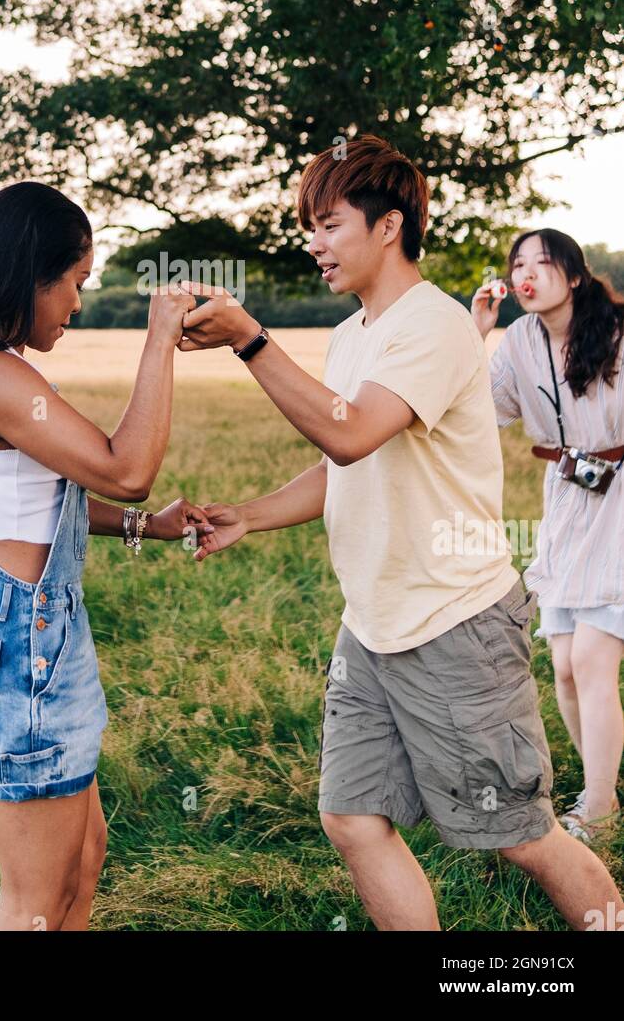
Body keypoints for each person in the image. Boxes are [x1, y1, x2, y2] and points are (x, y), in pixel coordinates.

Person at [177, 133, 623, 931]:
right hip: (371, 625)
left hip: (455, 621)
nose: (314, 243)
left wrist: (251, 338)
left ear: (389, 227)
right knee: (351, 818)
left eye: (330, 223)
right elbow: (348, 461)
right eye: (309, 226)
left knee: (519, 836)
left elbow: (349, 432)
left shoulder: (438, 324)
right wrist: (252, 512)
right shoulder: (352, 336)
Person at [0, 181, 212, 932]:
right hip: (18, 652)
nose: (78, 303)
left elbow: (39, 502)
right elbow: (125, 467)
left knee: (81, 859)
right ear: (31, 274)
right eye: (75, 282)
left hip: (30, 645)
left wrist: (150, 528)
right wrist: (159, 339)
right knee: (34, 906)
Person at [472, 230, 624, 844]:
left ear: (576, 275)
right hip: (567, 500)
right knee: (563, 666)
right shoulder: (519, 341)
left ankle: (599, 808)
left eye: (544, 261)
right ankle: (602, 785)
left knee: (590, 659)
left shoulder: (614, 331)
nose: (528, 272)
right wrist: (475, 332)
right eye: (519, 263)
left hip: (622, 500)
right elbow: (475, 410)